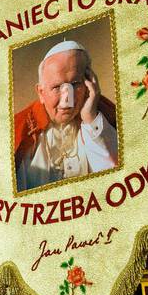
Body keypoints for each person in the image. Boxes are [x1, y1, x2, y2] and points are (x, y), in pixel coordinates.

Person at [14, 39, 117, 192]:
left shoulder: (107, 116)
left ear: (89, 83)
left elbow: (115, 180)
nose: (67, 100)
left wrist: (90, 118)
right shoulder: (18, 130)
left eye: (75, 84)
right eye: (57, 87)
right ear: (41, 92)